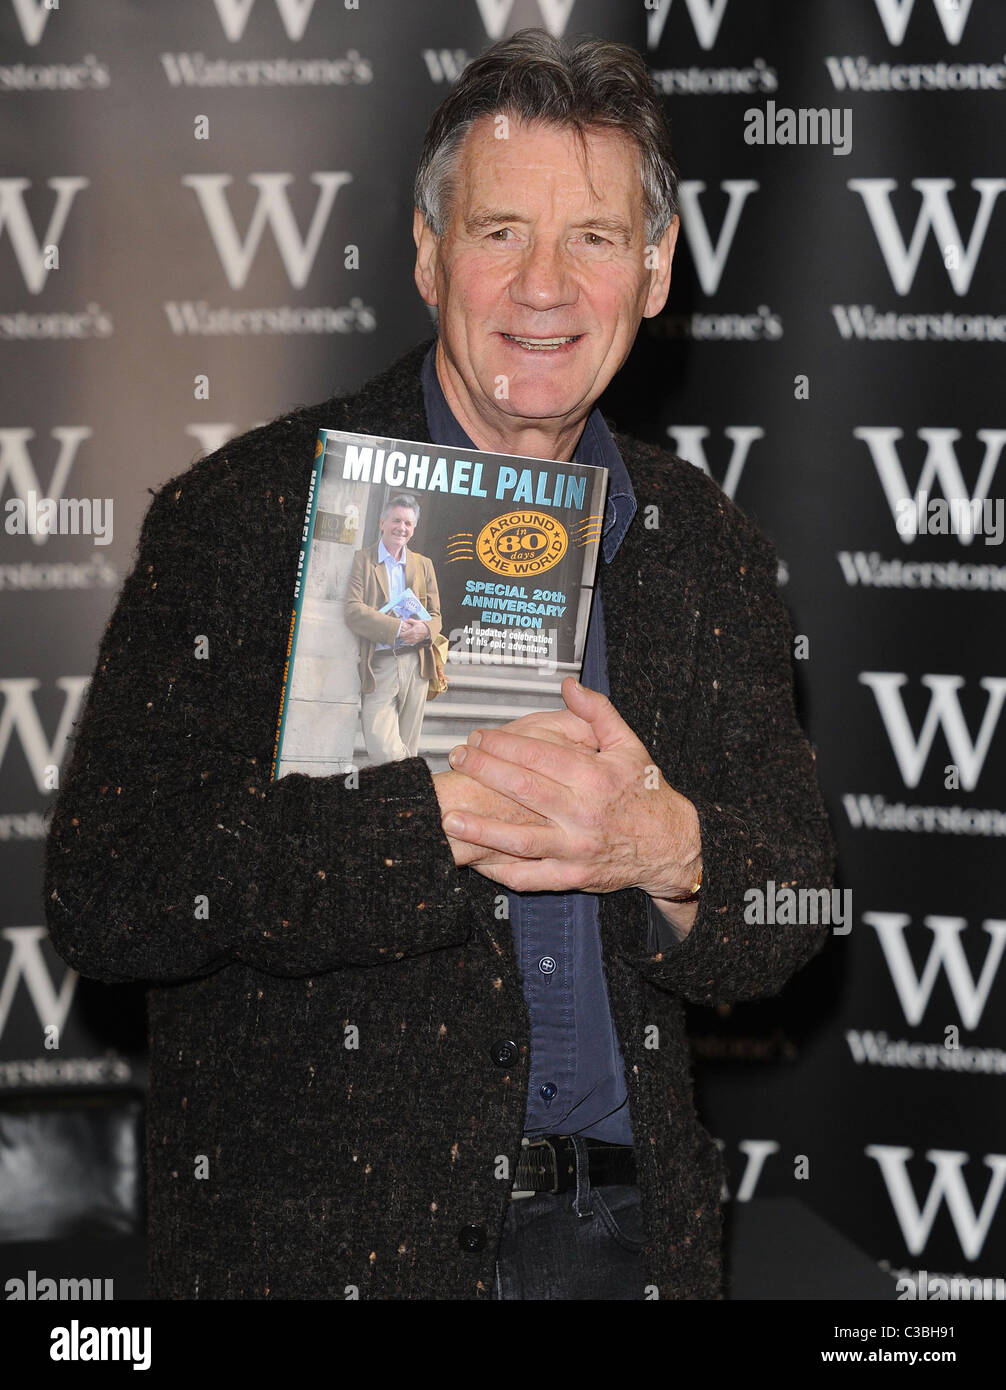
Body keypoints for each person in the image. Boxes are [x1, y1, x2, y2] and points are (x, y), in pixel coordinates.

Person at [43, 28, 835, 1300]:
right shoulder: (246, 516)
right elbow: (109, 889)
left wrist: (665, 848)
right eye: (499, 231)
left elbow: (791, 909)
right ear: (426, 256)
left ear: (653, 270)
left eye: (592, 238)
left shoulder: (709, 550)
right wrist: (423, 823)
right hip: (329, 1254)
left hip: (630, 1246)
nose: (544, 286)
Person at [344, 492, 441, 763]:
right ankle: (411, 780)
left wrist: (426, 630)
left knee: (409, 747)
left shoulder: (424, 565)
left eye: (408, 523)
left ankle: (400, 800)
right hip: (380, 665)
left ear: (414, 528)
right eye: (397, 520)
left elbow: (436, 616)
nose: (402, 528)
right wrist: (397, 628)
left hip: (417, 666)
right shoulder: (362, 560)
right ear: (382, 522)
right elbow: (353, 610)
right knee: (384, 750)